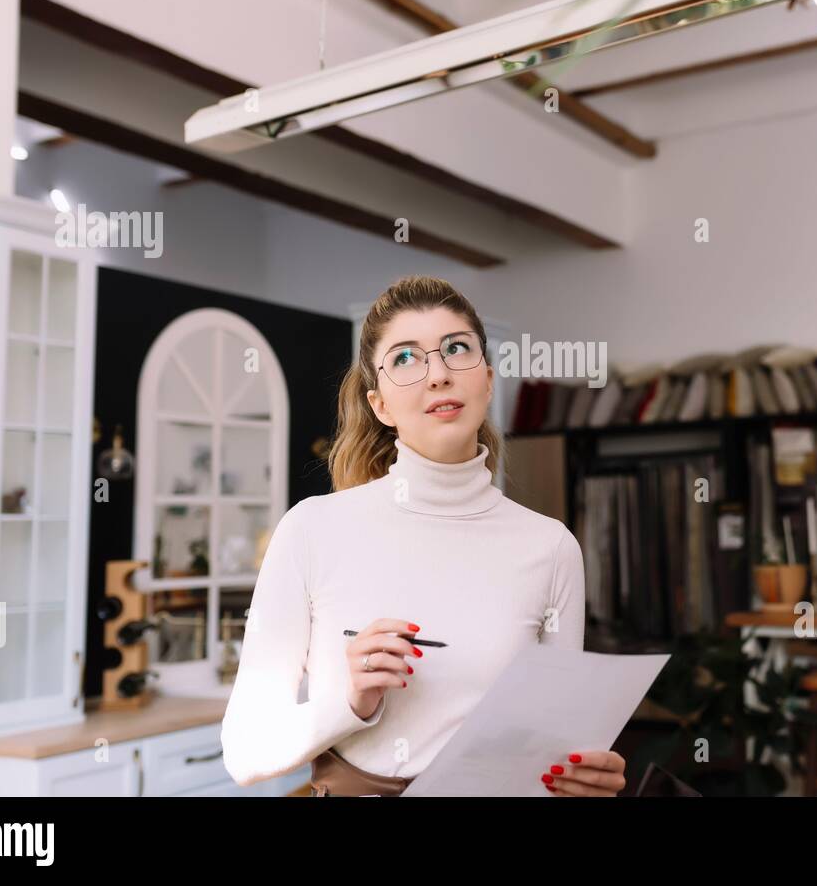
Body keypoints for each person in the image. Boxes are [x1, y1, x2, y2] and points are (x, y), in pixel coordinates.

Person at [221, 275, 627, 796]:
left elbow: (551, 747)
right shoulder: (311, 530)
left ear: (486, 379)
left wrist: (580, 780)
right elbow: (245, 753)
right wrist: (349, 701)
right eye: (406, 359)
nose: (437, 374)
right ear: (381, 405)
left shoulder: (550, 548)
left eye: (456, 349)